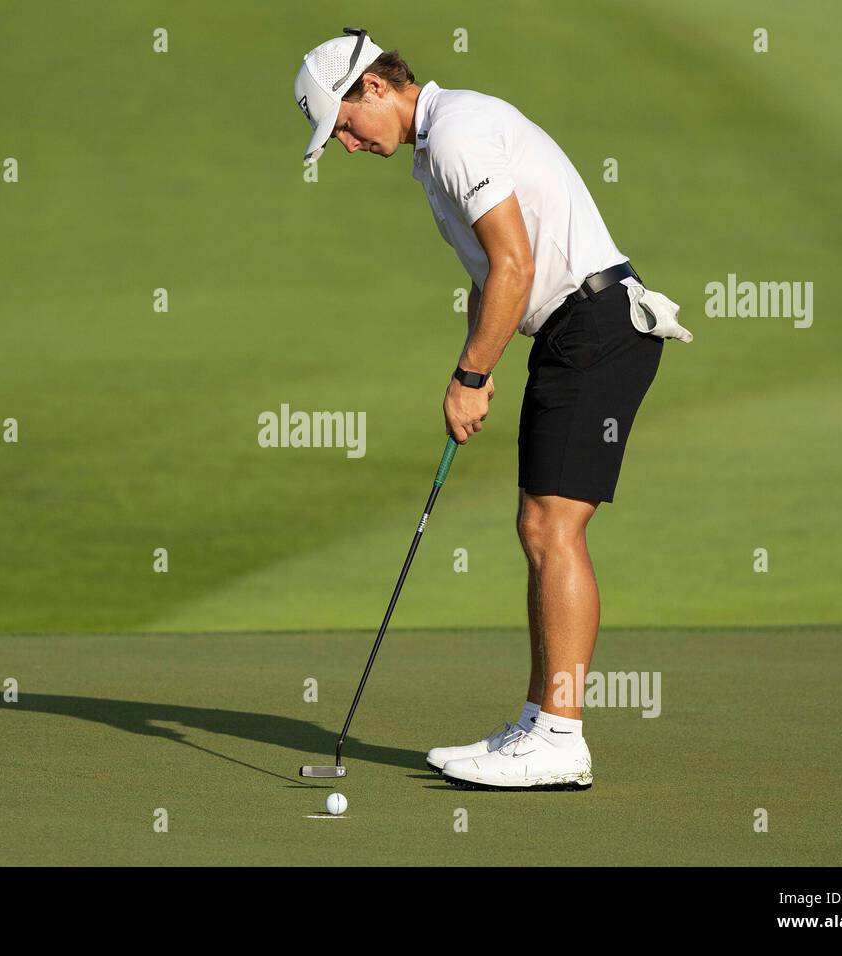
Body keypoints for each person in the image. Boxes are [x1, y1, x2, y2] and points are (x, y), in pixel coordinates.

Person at [293, 29, 691, 790]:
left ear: (375, 87)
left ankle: (562, 736)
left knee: (552, 526)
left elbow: (517, 264)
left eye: (344, 124)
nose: (346, 144)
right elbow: (492, 276)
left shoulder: (458, 136)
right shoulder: (437, 146)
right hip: (575, 329)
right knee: (537, 524)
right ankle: (539, 723)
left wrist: (472, 376)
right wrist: (475, 363)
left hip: (597, 326)